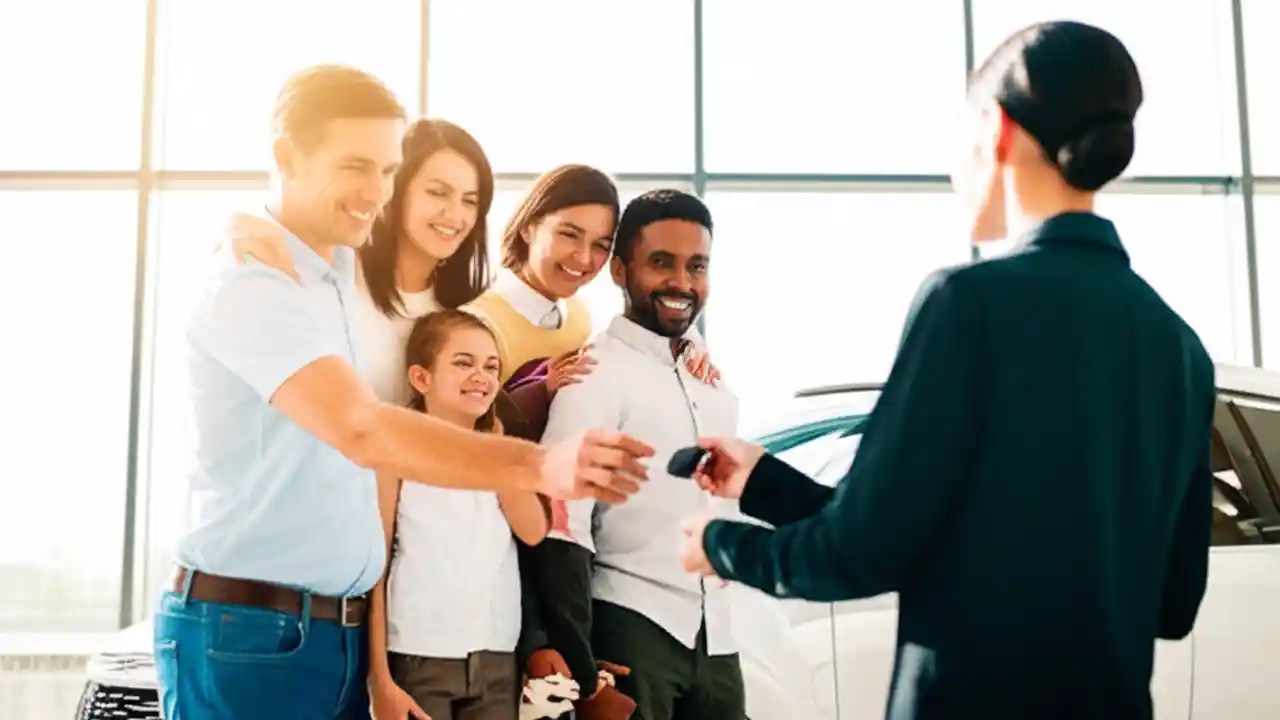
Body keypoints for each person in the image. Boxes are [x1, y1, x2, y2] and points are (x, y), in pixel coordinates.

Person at [680, 21, 1214, 720]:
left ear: (996, 130)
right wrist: (763, 483)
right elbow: (1172, 605)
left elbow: (864, 554)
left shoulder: (968, 304)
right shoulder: (1180, 348)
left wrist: (721, 545)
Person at [155, 64, 651, 720]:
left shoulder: (342, 275)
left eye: (386, 171)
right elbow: (363, 428)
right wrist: (539, 466)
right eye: (358, 166)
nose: (375, 191)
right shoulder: (268, 277)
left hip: (344, 626)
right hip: (256, 624)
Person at [533, 190, 745, 720]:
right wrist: (584, 673)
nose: (682, 282)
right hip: (631, 628)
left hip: (716, 635)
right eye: (661, 263)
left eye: (697, 266)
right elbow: (563, 528)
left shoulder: (711, 383)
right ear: (621, 271)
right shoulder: (595, 376)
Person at [225, 116, 495, 404]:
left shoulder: (472, 311)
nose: (455, 216)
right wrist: (235, 225)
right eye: (438, 193)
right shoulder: (338, 275)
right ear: (394, 189)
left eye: (469, 201)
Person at [368, 310, 549, 720]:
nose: (481, 376)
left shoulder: (500, 453)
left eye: (491, 367)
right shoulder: (395, 454)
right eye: (463, 363)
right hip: (418, 656)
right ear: (421, 378)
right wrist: (379, 677)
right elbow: (375, 569)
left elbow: (534, 531)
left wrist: (496, 455)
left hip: (497, 656)